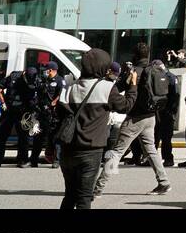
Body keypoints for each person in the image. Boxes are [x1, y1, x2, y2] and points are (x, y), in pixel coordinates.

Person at [58, 48, 136, 209]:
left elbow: (59, 116)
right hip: (90, 150)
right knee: (84, 197)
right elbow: (125, 106)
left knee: (70, 195)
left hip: (67, 149)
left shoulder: (69, 87)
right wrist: (132, 86)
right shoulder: (106, 88)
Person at [94, 43, 172, 197]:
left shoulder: (134, 71)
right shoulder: (154, 69)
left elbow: (118, 87)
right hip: (151, 117)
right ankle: (164, 182)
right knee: (151, 150)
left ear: (134, 55)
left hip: (135, 119)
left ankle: (98, 188)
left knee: (116, 152)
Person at [0, 65, 36, 167]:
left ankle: (23, 160)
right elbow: (0, 88)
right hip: (9, 111)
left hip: (23, 112)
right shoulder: (14, 76)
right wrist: (2, 102)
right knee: (2, 136)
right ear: (24, 73)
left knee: (24, 138)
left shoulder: (34, 80)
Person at [29, 62, 64, 167]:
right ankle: (33, 160)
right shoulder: (43, 80)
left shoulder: (60, 81)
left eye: (46, 69)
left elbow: (62, 94)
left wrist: (54, 102)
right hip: (42, 114)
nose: (44, 71)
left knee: (55, 138)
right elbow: (38, 95)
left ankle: (57, 160)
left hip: (54, 115)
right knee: (38, 137)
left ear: (51, 70)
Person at [155, 60, 179, 166]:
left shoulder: (171, 77)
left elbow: (175, 96)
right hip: (159, 111)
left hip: (167, 112)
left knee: (166, 137)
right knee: (155, 136)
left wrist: (172, 112)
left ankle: (168, 158)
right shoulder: (159, 76)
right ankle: (152, 158)